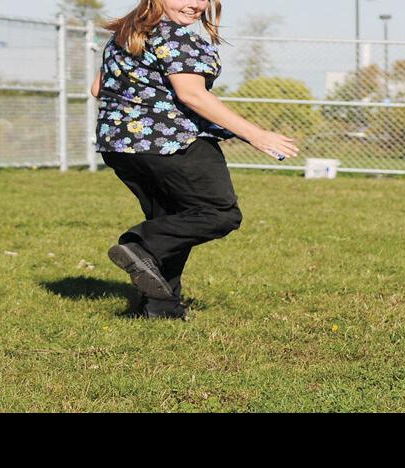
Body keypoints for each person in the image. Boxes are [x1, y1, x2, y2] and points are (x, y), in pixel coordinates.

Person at [91, 0, 299, 320]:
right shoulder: (177, 35)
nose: (197, 4)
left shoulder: (125, 33)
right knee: (219, 213)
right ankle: (139, 246)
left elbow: (97, 89)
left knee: (172, 220)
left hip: (122, 146)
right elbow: (192, 95)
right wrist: (256, 135)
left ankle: (161, 307)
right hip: (173, 142)